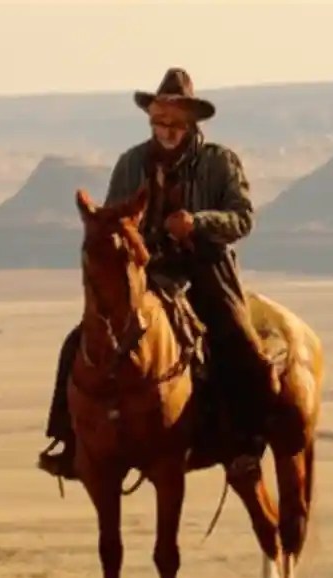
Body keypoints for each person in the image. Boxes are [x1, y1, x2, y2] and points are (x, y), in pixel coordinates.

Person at [37, 67, 276, 481]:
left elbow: (243, 219)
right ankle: (70, 440)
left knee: (237, 339)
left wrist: (198, 222)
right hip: (147, 267)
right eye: (158, 121)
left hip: (207, 265)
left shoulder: (220, 162)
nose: (164, 129)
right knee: (80, 341)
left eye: (173, 122)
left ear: (191, 122)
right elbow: (113, 216)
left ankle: (244, 443)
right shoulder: (132, 163)